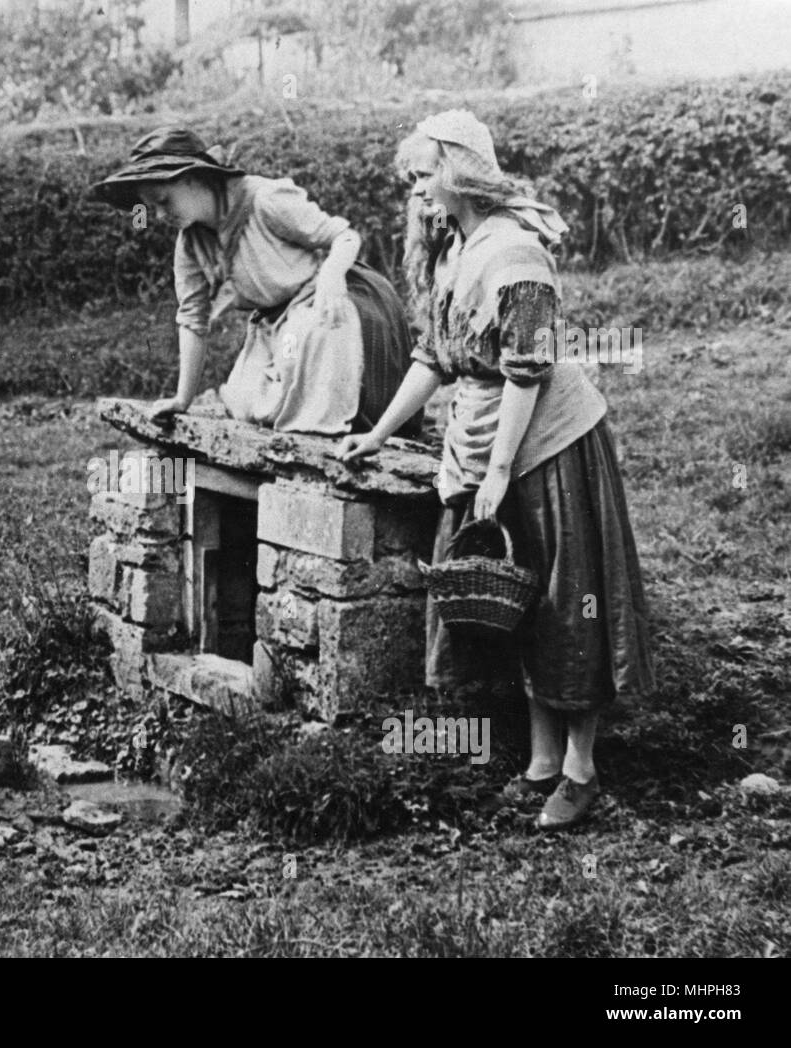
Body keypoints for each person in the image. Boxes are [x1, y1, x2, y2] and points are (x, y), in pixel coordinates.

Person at [335, 111, 655, 831]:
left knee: (571, 599)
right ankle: (541, 760)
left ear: (458, 172)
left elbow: (529, 371)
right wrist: (377, 434)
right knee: (521, 599)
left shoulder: (516, 255)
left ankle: (581, 769)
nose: (416, 194)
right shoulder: (456, 251)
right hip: (489, 441)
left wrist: (500, 471)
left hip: (549, 444)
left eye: (423, 177)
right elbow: (433, 359)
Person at [91, 126, 421, 437]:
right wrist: (182, 399)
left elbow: (344, 236)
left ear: (192, 178)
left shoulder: (265, 199)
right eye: (151, 208)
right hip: (273, 323)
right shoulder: (191, 244)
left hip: (328, 301)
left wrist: (332, 277)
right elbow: (193, 320)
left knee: (308, 345)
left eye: (164, 201)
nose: (161, 216)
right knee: (246, 404)